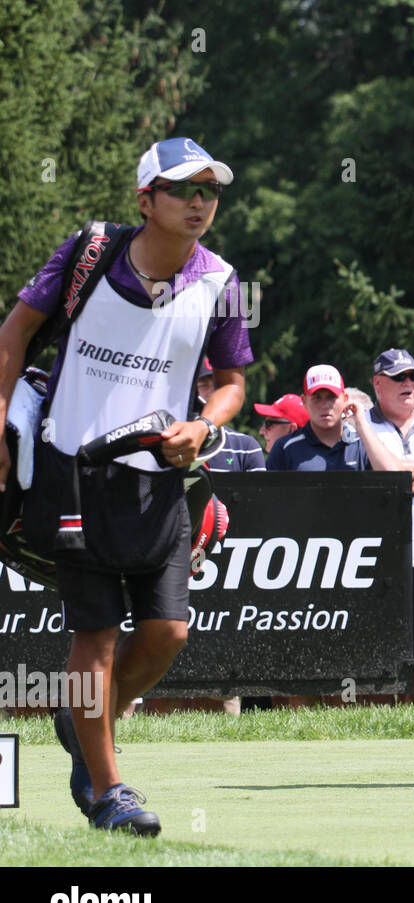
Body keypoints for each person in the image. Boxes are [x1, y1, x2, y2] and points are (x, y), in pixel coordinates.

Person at [0, 137, 253, 833]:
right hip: (71, 472)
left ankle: (85, 722)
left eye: (209, 191)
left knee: (169, 630)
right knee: (97, 637)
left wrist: (202, 427)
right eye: (183, 190)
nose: (199, 203)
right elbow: (14, 333)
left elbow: (232, 383)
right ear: (147, 200)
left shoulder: (223, 282)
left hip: (162, 481)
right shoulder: (90, 251)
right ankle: (109, 792)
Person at [265, 364, 400, 472]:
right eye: (317, 398)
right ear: (304, 401)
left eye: (332, 397)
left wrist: (361, 423)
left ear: (345, 399)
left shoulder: (364, 444)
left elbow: (393, 477)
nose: (325, 405)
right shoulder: (285, 448)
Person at [197, 359, 265, 472]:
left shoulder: (246, 447)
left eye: (216, 385)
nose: (212, 392)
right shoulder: (174, 445)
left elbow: (259, 490)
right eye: (204, 386)